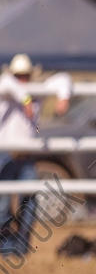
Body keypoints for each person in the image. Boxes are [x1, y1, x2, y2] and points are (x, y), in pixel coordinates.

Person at [0, 53, 71, 258]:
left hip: (25, 156)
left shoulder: (33, 91)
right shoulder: (8, 89)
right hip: (6, 154)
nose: (22, 79)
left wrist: (63, 97)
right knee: (2, 205)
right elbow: (7, 83)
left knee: (29, 203)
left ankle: (20, 248)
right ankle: (6, 246)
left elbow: (63, 79)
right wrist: (26, 99)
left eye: (25, 75)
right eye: (19, 75)